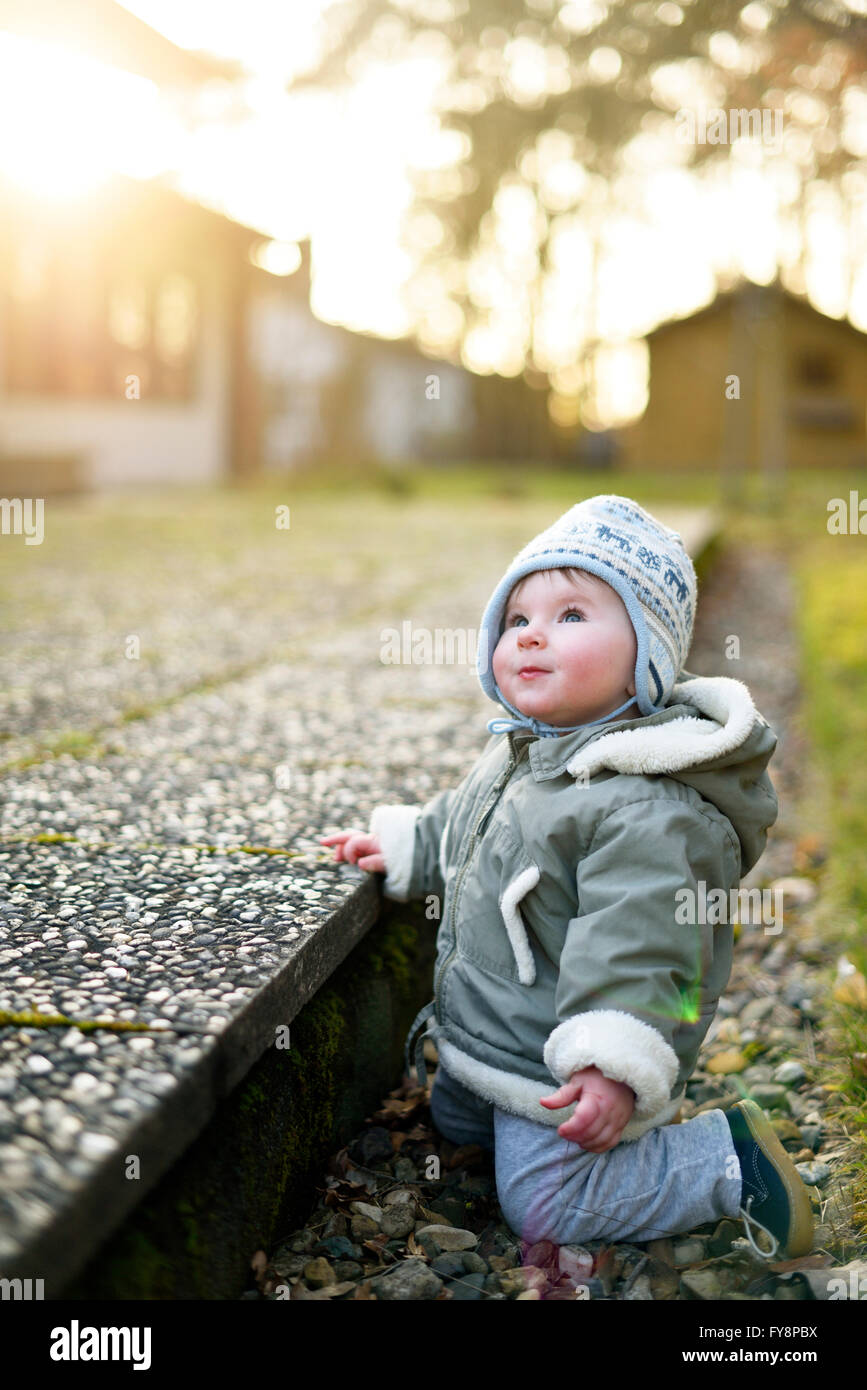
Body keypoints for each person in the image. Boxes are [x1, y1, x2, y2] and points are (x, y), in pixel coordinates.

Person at [321, 494, 813, 1261]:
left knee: (546, 1204)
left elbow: (647, 946)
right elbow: (474, 818)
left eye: (572, 616)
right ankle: (493, 1103)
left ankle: (726, 1164)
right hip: (501, 1030)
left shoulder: (648, 809)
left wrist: (612, 1062)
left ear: (645, 659)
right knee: (455, 1122)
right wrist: (413, 844)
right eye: (516, 619)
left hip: (566, 1049)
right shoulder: (531, 748)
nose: (532, 635)